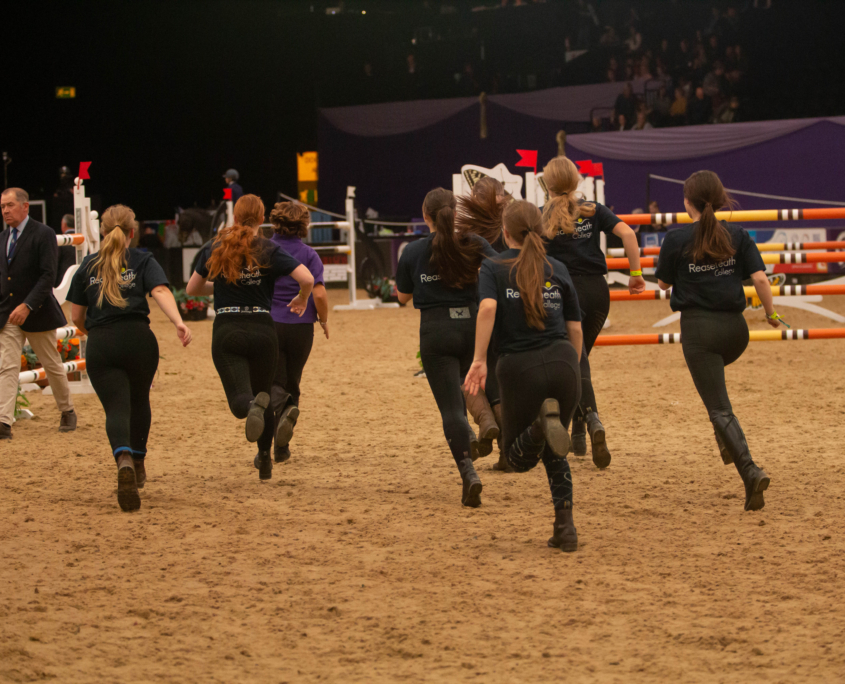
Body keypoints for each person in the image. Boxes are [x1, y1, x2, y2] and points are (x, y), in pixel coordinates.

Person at [464, 200, 584, 552]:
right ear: (542, 230)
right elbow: (575, 328)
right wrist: (573, 367)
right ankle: (566, 529)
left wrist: (478, 360)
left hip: (520, 367)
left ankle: (538, 426)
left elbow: (487, 307)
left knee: (516, 459)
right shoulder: (557, 267)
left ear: (504, 233)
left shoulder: (493, 268)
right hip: (564, 364)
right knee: (556, 453)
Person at [655, 171, 774, 511]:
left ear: (686, 202)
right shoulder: (737, 234)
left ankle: (750, 472)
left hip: (700, 332)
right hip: (737, 332)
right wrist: (770, 313)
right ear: (720, 199)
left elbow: (662, 286)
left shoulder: (676, 239)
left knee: (718, 407)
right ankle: (727, 440)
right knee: (716, 396)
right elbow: (761, 280)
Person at [68, 205, 192, 511]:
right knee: (139, 401)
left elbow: (76, 317)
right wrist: (178, 322)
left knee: (116, 407)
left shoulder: (87, 265)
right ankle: (137, 461)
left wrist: (96, 334)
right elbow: (161, 291)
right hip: (139, 340)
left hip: (102, 342)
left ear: (102, 233)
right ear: (132, 232)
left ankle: (122, 457)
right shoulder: (142, 259)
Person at [187, 194, 314, 481]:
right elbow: (306, 279)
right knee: (264, 395)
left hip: (228, 327)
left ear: (234, 217)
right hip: (263, 328)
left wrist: (222, 286)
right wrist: (302, 298)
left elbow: (193, 288)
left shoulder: (216, 245)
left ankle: (249, 408)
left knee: (241, 399)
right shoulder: (268, 248)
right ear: (261, 219)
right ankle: (265, 461)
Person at [395, 188, 498, 507]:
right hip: (472, 326)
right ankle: (489, 422)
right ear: (454, 212)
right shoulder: (475, 243)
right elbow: (502, 270)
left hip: (436, 331)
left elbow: (402, 297)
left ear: (425, 216)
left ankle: (468, 472)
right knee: (473, 384)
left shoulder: (413, 252)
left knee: (451, 409)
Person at [541, 157, 646, 468]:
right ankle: (580, 433)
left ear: (547, 185)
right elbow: (628, 234)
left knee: (575, 361)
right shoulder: (593, 209)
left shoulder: (541, 216)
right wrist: (636, 273)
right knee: (579, 357)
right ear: (577, 182)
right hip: (598, 294)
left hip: (562, 293)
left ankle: (594, 421)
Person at [0, 188, 76, 439]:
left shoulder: (43, 234)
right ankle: (3, 422)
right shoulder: (3, 238)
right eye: (2, 207)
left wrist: (28, 305)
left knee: (52, 364)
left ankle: (67, 410)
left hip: (38, 312)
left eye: (10, 205)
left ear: (25, 207)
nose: (5, 210)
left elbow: (48, 276)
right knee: (7, 367)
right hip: (9, 315)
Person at [265, 201, 329, 464]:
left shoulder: (264, 250)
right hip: (302, 327)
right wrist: (323, 319)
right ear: (304, 226)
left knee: (273, 383)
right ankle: (282, 448)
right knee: (293, 381)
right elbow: (320, 293)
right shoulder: (309, 255)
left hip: (271, 323)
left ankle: (274, 438)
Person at [455, 177, 509, 469]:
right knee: (498, 378)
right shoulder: (509, 225)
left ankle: (485, 420)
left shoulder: (465, 232)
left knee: (468, 370)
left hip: (471, 308)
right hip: (501, 308)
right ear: (500, 197)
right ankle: (505, 449)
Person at [56, 213, 77, 286]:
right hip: (81, 279)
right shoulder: (84, 239)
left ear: (64, 225)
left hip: (63, 281)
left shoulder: (61, 241)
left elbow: (55, 262)